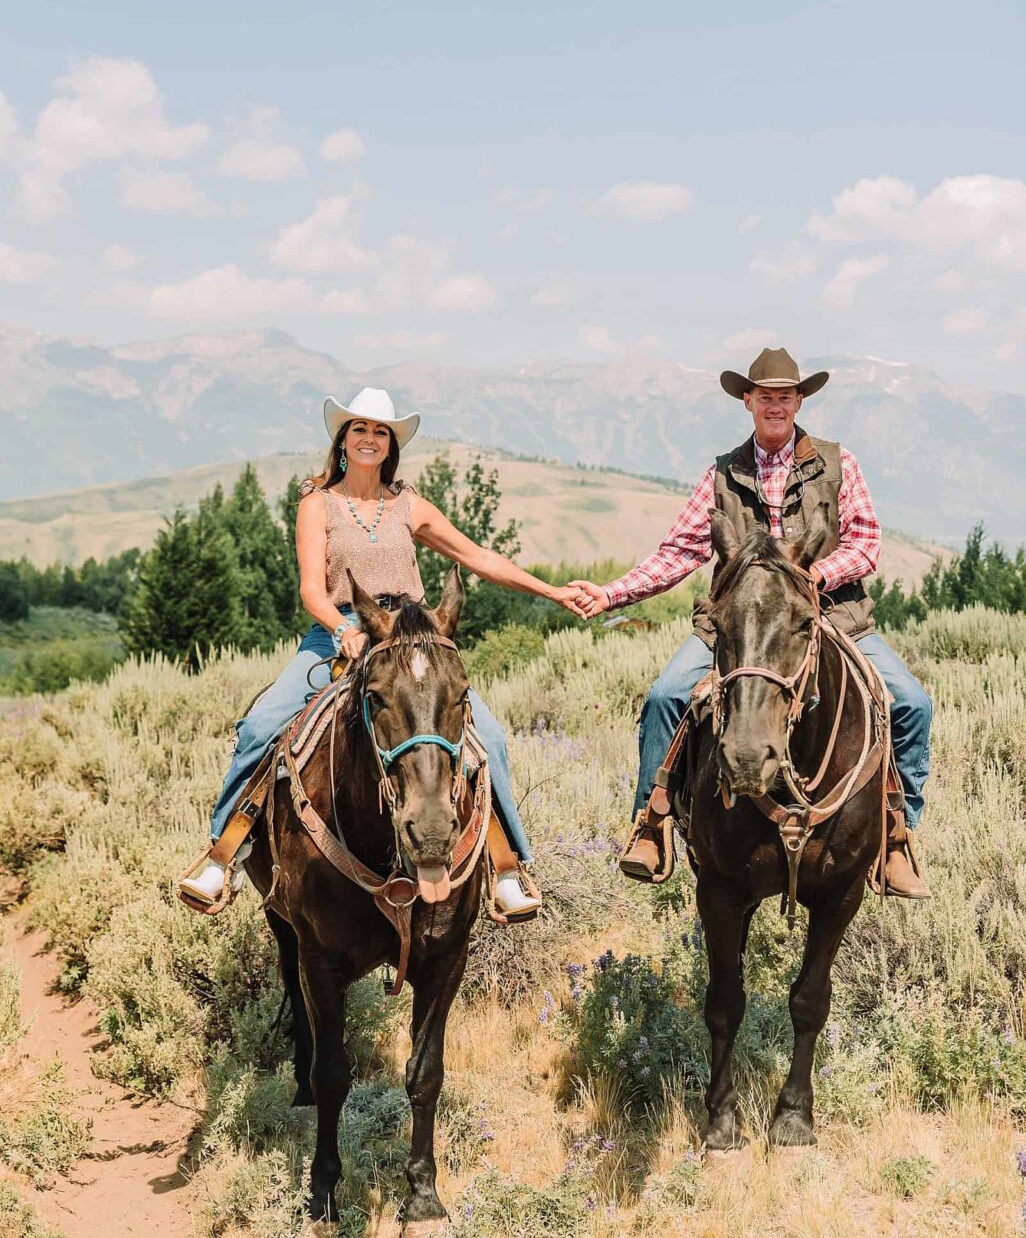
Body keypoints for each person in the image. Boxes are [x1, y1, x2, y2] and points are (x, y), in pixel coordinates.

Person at [181, 386, 587, 917]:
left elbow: (480, 557)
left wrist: (553, 592)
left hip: (412, 637)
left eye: (380, 431)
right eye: (360, 429)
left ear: (391, 444)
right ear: (343, 440)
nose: (370, 438)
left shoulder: (407, 505)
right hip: (341, 629)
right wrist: (341, 628)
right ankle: (224, 852)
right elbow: (311, 589)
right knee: (262, 725)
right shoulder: (317, 503)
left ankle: (507, 864)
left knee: (487, 736)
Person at [571, 347, 932, 900]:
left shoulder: (839, 464)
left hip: (829, 615)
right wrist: (611, 593)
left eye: (785, 395)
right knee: (667, 696)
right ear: (748, 401)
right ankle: (652, 823)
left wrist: (813, 576)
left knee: (910, 704)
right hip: (736, 624)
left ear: (799, 401)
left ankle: (895, 835)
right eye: (765, 396)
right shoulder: (723, 473)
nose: (775, 405)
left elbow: (864, 543)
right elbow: (679, 552)